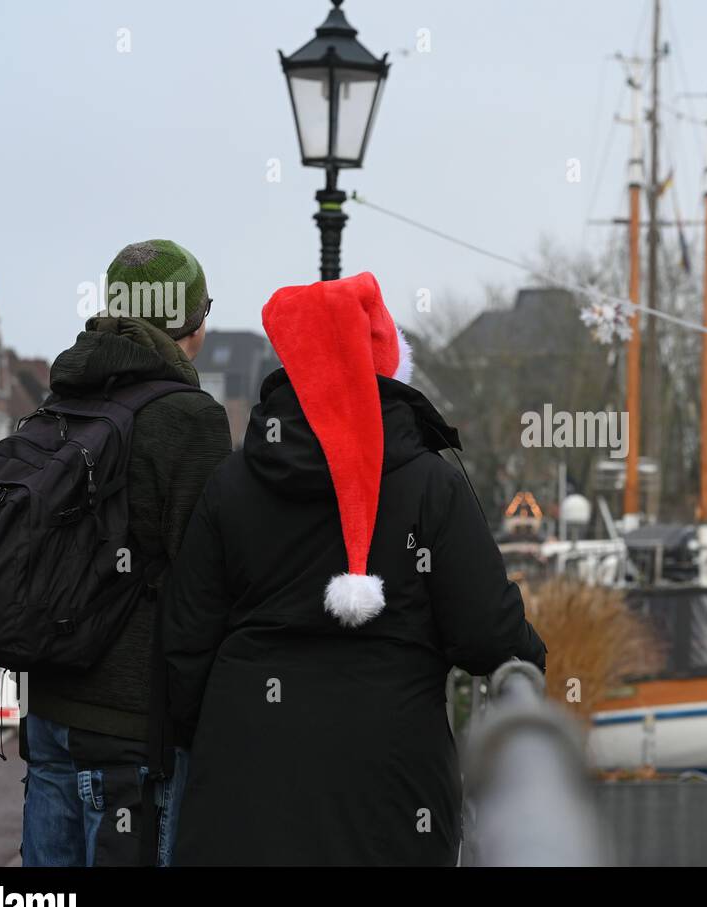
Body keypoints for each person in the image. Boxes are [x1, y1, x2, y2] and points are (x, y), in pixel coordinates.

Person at [162, 272, 545, 865]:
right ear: (390, 370)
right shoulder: (430, 484)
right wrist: (531, 655)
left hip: (245, 780)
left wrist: (209, 740)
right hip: (388, 784)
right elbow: (485, 635)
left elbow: (185, 643)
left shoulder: (232, 483)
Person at [21, 240, 231, 866]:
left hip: (50, 718)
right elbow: (206, 583)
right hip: (133, 733)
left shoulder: (58, 400)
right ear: (188, 325)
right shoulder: (189, 418)